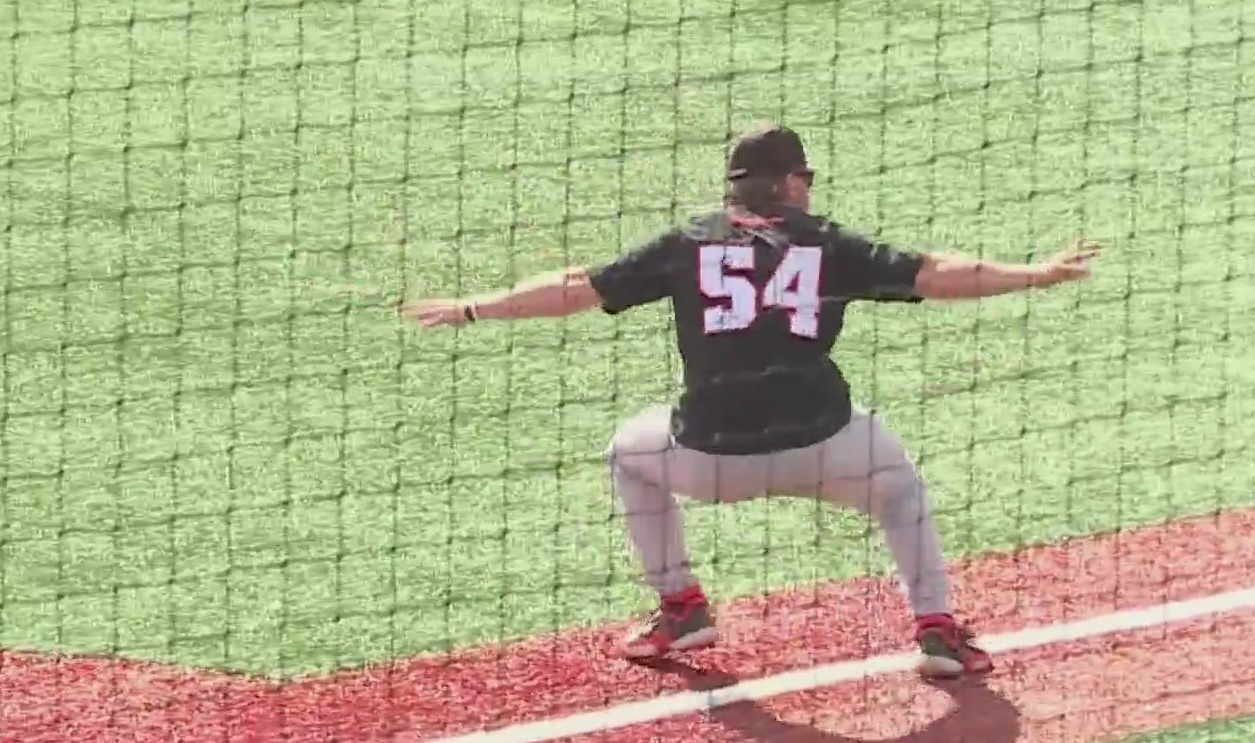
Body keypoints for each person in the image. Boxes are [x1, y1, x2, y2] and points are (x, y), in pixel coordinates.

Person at [402, 124, 1099, 677]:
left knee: (628, 452)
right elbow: (936, 273)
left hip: (710, 456)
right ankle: (936, 630)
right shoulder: (826, 243)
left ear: (736, 186)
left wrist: (472, 308)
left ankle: (681, 607)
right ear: (792, 182)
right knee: (899, 487)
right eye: (806, 176)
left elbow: (575, 286)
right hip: (824, 445)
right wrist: (1035, 274)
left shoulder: (687, 241)